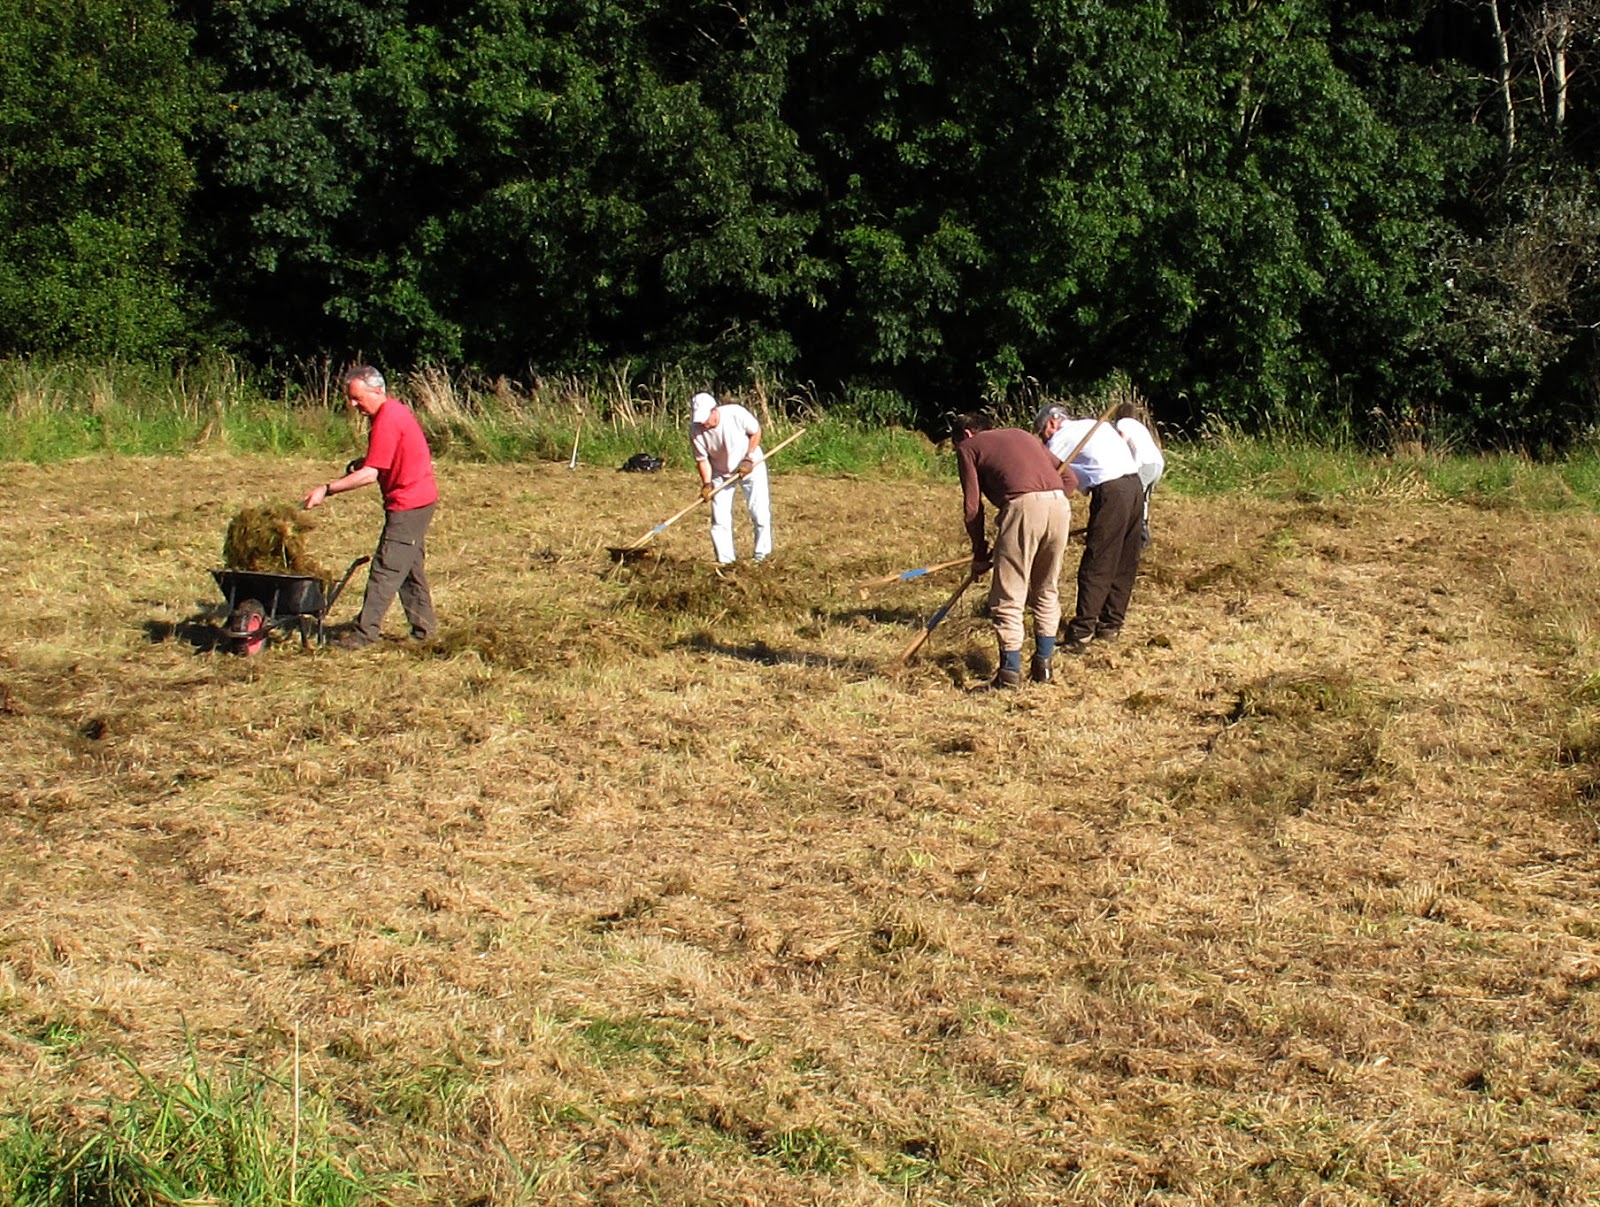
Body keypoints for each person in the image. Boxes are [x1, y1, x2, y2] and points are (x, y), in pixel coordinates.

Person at [302, 366, 438, 648]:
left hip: (409, 504)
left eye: (356, 397)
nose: (352, 404)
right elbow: (381, 460)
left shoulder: (388, 419)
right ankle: (425, 631)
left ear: (377, 391)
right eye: (350, 398)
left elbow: (370, 474)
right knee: (409, 571)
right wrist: (364, 463)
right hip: (419, 500)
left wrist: (327, 489)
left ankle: (364, 634)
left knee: (385, 569)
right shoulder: (392, 413)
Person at [952, 411, 1073, 689]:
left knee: (1009, 593)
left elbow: (973, 508)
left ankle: (1009, 675)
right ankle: (1043, 665)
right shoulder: (1023, 435)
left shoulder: (969, 447)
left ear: (967, 434)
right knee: (1046, 588)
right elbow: (1071, 481)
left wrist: (980, 552)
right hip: (1059, 505)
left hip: (1022, 507)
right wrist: (1047, 504)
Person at [1035, 404, 1143, 651]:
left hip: (1112, 491)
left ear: (1052, 423)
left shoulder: (1060, 439)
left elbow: (1049, 478)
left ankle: (1082, 633)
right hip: (1134, 487)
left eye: (1042, 433)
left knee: (1098, 561)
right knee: (1124, 560)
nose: (1043, 439)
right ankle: (1110, 625)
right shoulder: (1091, 425)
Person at [689, 391, 771, 564]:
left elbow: (755, 432)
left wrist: (748, 458)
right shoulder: (695, 430)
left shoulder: (735, 413)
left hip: (751, 466)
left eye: (706, 418)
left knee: (759, 512)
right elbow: (702, 460)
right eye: (700, 420)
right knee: (719, 518)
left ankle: (762, 556)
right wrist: (707, 484)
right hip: (720, 473)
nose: (704, 423)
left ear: (714, 410)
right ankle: (725, 561)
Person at [1114, 401, 1164, 547]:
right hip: (1157, 463)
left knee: (1131, 498)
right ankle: (1142, 537)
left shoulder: (1122, 424)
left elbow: (1121, 442)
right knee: (1143, 499)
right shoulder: (1139, 426)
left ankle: (1132, 536)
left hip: (1143, 464)